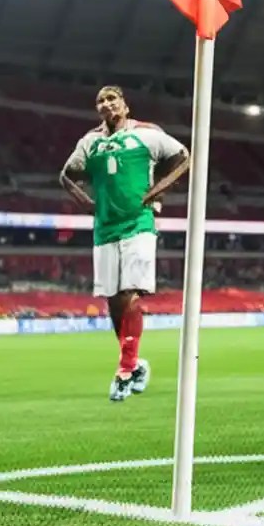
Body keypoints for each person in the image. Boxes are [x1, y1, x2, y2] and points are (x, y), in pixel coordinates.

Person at [60, 86, 189, 402]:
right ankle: (136, 364)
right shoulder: (90, 142)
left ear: (125, 105)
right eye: (100, 101)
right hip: (104, 228)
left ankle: (124, 369)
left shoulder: (146, 134)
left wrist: (159, 191)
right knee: (114, 301)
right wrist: (88, 204)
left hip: (138, 223)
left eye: (111, 99)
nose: (106, 104)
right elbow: (66, 175)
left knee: (129, 294)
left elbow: (184, 157)